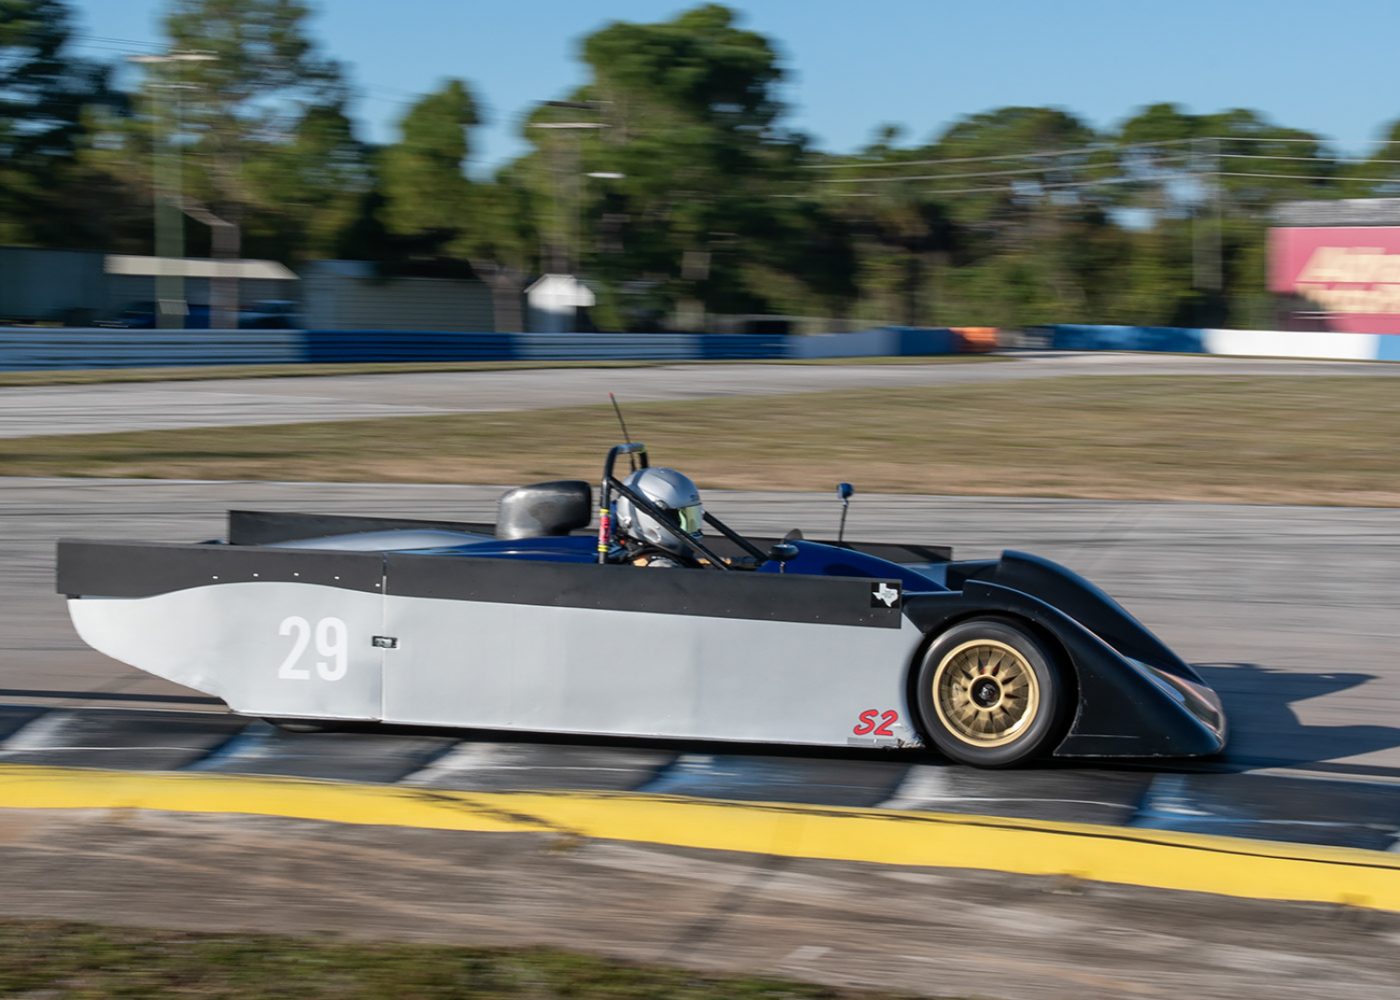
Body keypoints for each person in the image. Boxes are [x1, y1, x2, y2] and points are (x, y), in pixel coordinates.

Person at [614, 467, 705, 567]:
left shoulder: (672, 559)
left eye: (693, 516)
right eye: (684, 518)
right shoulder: (660, 568)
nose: (692, 526)